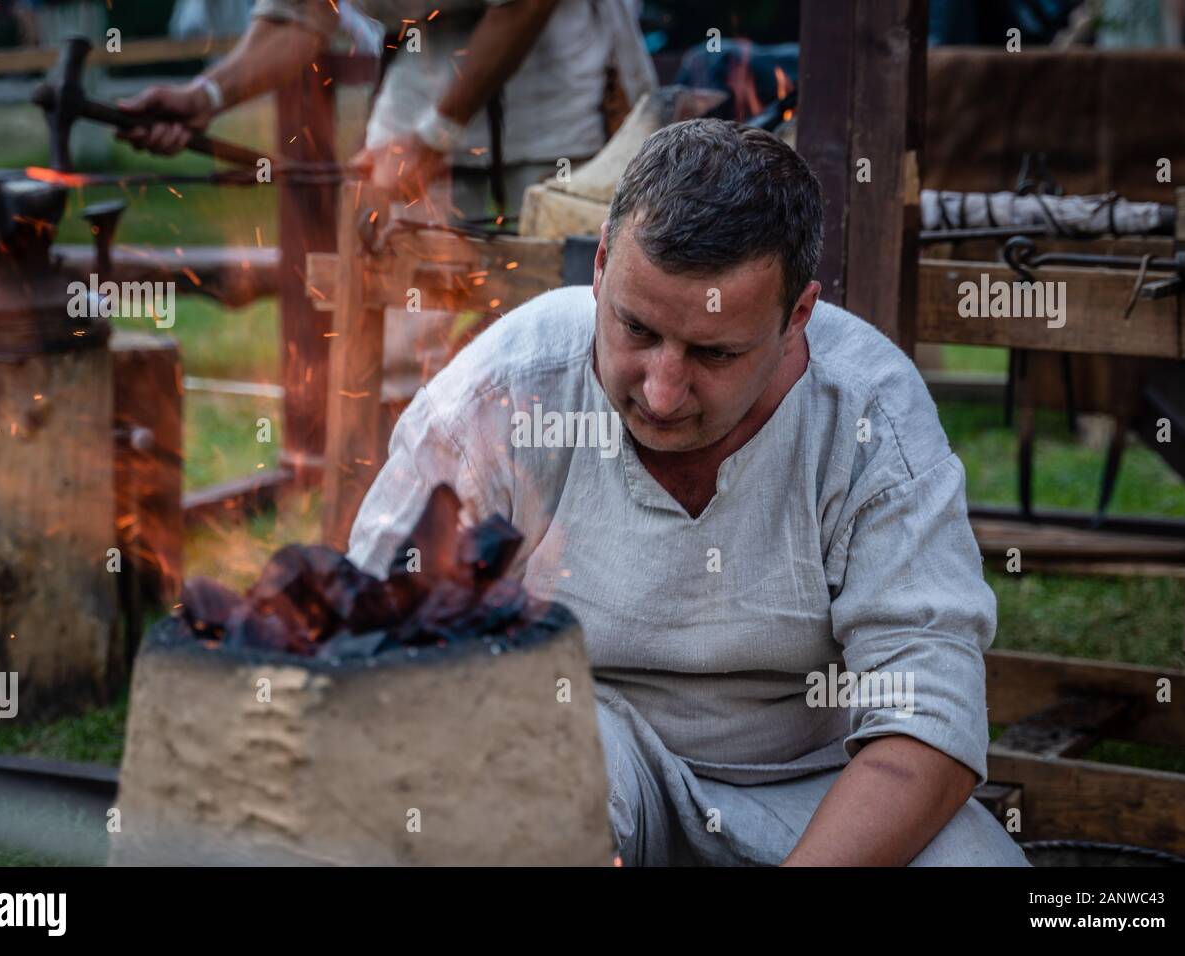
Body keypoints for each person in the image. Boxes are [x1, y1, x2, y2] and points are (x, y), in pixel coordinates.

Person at [346, 118, 1032, 866]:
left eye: (715, 352)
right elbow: (379, 643)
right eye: (637, 329)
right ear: (602, 265)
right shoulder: (505, 392)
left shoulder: (869, 417)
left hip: (813, 789)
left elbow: (925, 719)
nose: (664, 392)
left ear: (796, 316)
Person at [117, 0, 655, 218]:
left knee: (558, 306)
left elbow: (525, 4)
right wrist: (205, 97)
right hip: (421, 66)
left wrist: (432, 137)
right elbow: (295, 19)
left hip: (557, 78)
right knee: (388, 308)